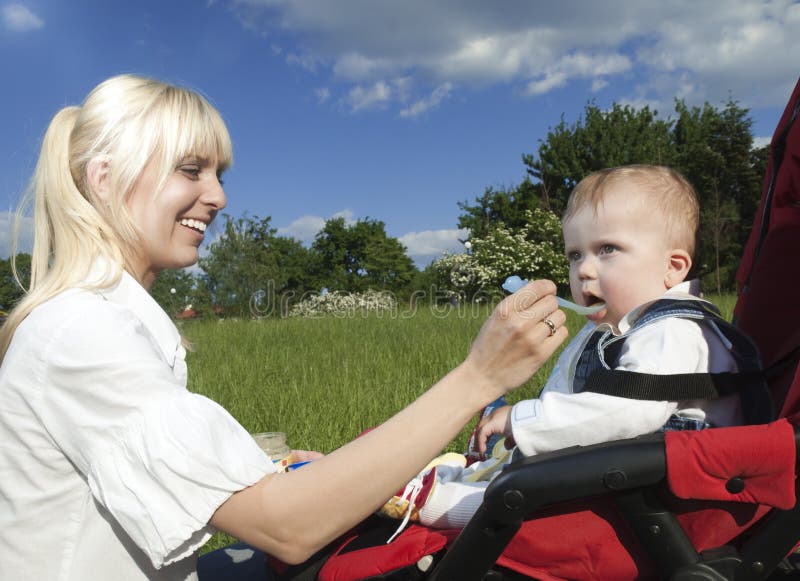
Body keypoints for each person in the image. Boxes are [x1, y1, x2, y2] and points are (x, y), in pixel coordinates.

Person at [0, 74, 568, 581]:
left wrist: (266, 468)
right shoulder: (81, 332)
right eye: (191, 170)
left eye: (218, 174)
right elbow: (289, 528)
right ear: (104, 179)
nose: (218, 196)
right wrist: (478, 378)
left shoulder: (104, 321)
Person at [381, 165, 763, 531]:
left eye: (607, 249)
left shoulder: (674, 332)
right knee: (504, 470)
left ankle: (432, 500)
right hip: (611, 479)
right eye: (575, 254)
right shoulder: (622, 328)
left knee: (505, 502)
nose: (583, 270)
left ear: (673, 267)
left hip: (646, 506)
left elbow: (626, 413)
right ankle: (453, 473)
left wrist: (523, 418)